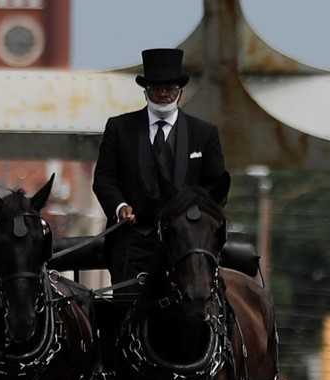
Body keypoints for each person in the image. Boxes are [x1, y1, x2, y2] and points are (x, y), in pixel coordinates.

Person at [92, 48, 231, 284]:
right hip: (132, 240)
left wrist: (193, 214)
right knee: (127, 309)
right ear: (146, 92)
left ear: (180, 92)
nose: (164, 94)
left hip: (186, 244)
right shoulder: (119, 128)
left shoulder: (204, 133)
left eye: (170, 89)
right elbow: (104, 179)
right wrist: (120, 207)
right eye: (157, 89)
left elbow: (216, 185)